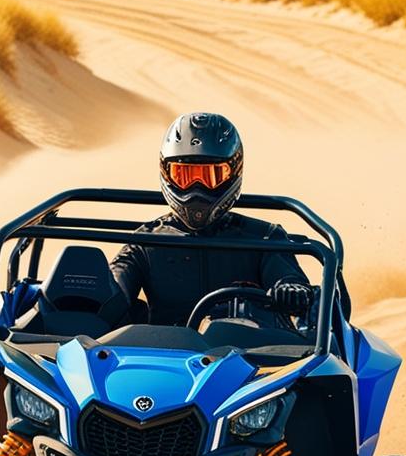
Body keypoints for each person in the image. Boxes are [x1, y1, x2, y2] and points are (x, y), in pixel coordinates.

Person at [110, 112, 313, 327]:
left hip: (245, 356)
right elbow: (114, 289)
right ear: (166, 173)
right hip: (164, 356)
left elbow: (289, 279)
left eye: (211, 177)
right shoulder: (144, 242)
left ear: (234, 172)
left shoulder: (265, 238)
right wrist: (95, 294)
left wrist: (292, 291)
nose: (197, 189)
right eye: (185, 176)